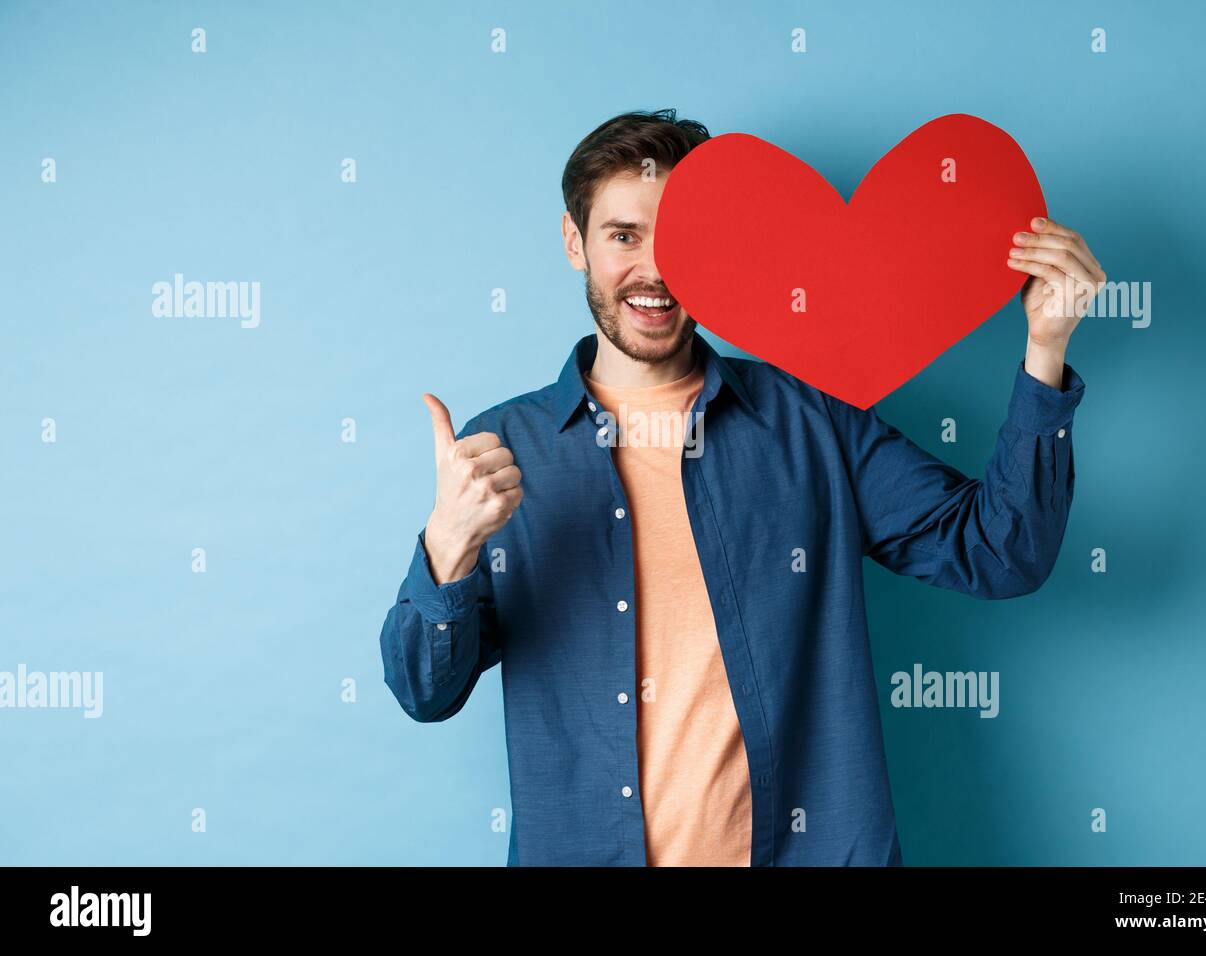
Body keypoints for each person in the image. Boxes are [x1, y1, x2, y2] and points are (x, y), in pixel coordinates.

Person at [379, 108, 1105, 867]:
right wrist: (450, 544)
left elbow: (1001, 554)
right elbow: (424, 692)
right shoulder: (505, 452)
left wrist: (1045, 351)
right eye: (624, 235)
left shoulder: (811, 419)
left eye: (679, 241)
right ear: (575, 243)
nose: (654, 272)